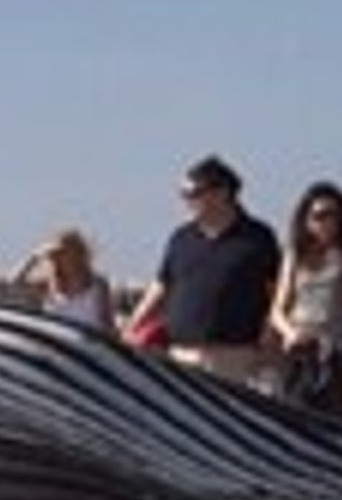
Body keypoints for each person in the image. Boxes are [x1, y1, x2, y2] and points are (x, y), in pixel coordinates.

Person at [119, 156, 280, 385]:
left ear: (222, 192)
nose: (187, 201)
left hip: (233, 355)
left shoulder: (257, 237)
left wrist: (270, 340)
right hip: (181, 353)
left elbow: (276, 292)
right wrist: (132, 327)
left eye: (194, 194)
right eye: (184, 195)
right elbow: (161, 287)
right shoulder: (181, 238)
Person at [268, 181, 342, 420]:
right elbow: (278, 307)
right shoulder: (296, 253)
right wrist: (289, 332)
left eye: (332, 215)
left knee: (336, 416)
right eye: (318, 215)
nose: (325, 222)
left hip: (336, 348)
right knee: (295, 413)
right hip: (300, 346)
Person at [13, 228, 116, 329]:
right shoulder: (48, 284)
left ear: (77, 253)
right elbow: (13, 284)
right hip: (56, 342)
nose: (59, 258)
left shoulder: (97, 284)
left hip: (87, 343)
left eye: (64, 253)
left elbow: (108, 324)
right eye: (55, 254)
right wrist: (35, 256)